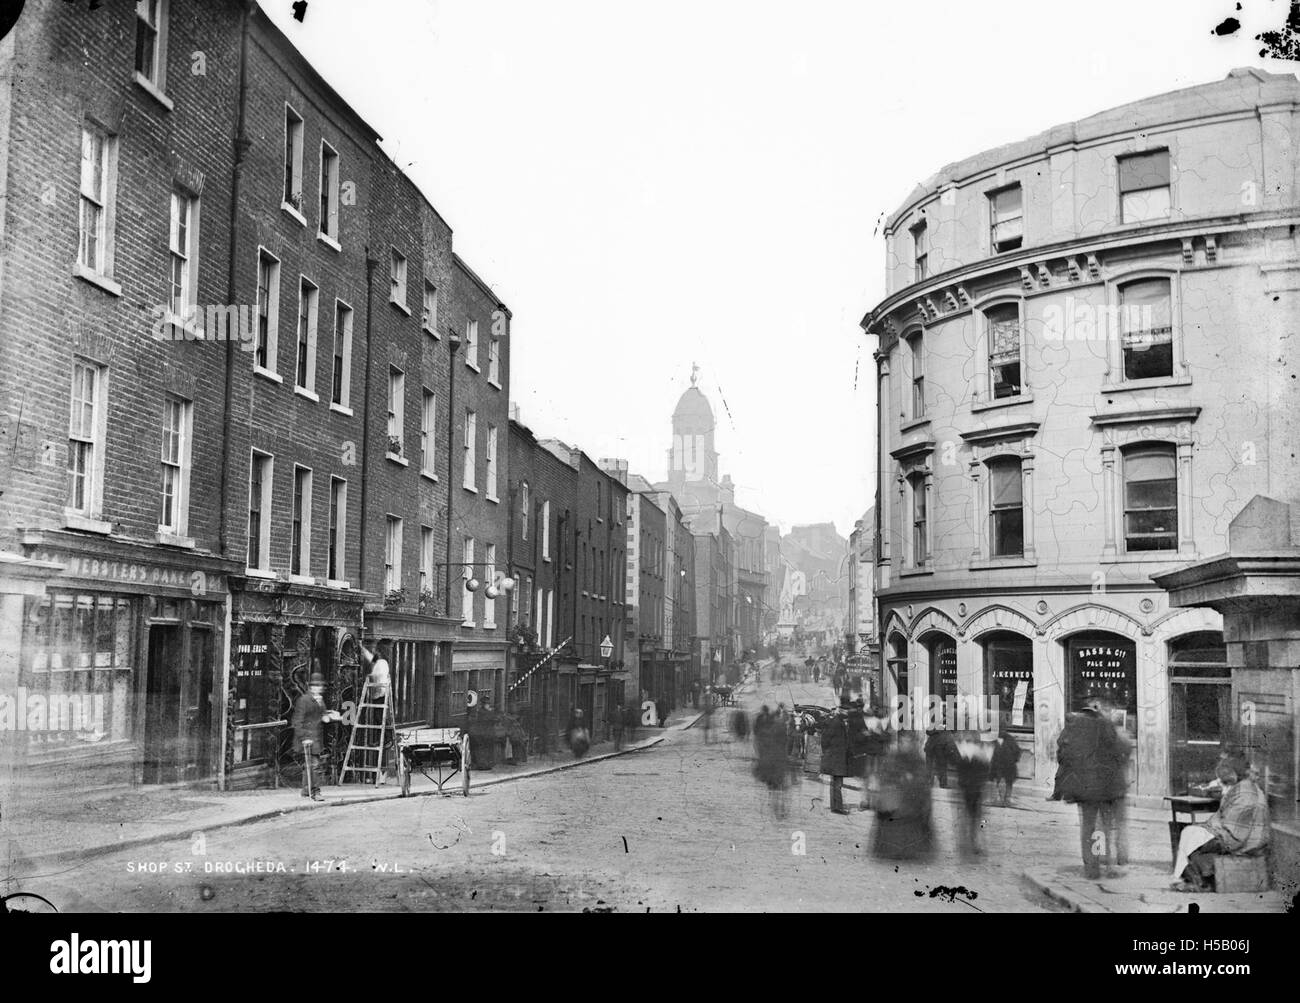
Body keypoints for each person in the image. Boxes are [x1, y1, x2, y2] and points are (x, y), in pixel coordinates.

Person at [1052, 693, 1129, 879]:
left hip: (1083, 786)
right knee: (1103, 826)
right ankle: (1105, 865)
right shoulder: (1105, 725)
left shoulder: (1072, 726)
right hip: (1104, 785)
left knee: (1088, 826)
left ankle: (1092, 868)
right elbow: (1120, 751)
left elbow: (1061, 753)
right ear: (1097, 707)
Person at [1172, 755, 1270, 892]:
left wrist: (1208, 828)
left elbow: (1232, 829)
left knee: (1190, 840)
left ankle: (1198, 882)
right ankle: (1197, 880)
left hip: (1244, 842)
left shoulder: (1245, 792)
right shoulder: (1247, 788)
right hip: (1246, 839)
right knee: (1191, 837)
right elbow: (1228, 819)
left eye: (1225, 781)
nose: (1224, 784)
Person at [871, 731, 935, 860]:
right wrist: (897, 780)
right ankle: (890, 850)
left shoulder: (917, 759)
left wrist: (911, 780)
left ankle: (912, 851)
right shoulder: (893, 757)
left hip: (912, 799)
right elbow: (886, 775)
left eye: (908, 741)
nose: (905, 744)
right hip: (897, 798)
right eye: (903, 741)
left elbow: (923, 778)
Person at [291, 672, 340, 800]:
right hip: (306, 740)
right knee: (315, 766)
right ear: (310, 687)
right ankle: (315, 792)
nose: (318, 688)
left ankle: (306, 791)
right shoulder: (304, 700)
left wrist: (330, 716)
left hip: (316, 739)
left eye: (320, 686)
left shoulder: (320, 699)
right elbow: (297, 722)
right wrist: (304, 738)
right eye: (315, 686)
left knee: (310, 766)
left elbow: (322, 716)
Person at [820, 700, 853, 815]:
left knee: (835, 783)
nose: (848, 713)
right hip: (836, 757)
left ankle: (835, 806)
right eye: (846, 711)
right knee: (838, 783)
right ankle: (838, 807)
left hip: (837, 757)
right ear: (842, 711)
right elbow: (825, 738)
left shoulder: (839, 721)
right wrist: (827, 752)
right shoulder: (836, 723)